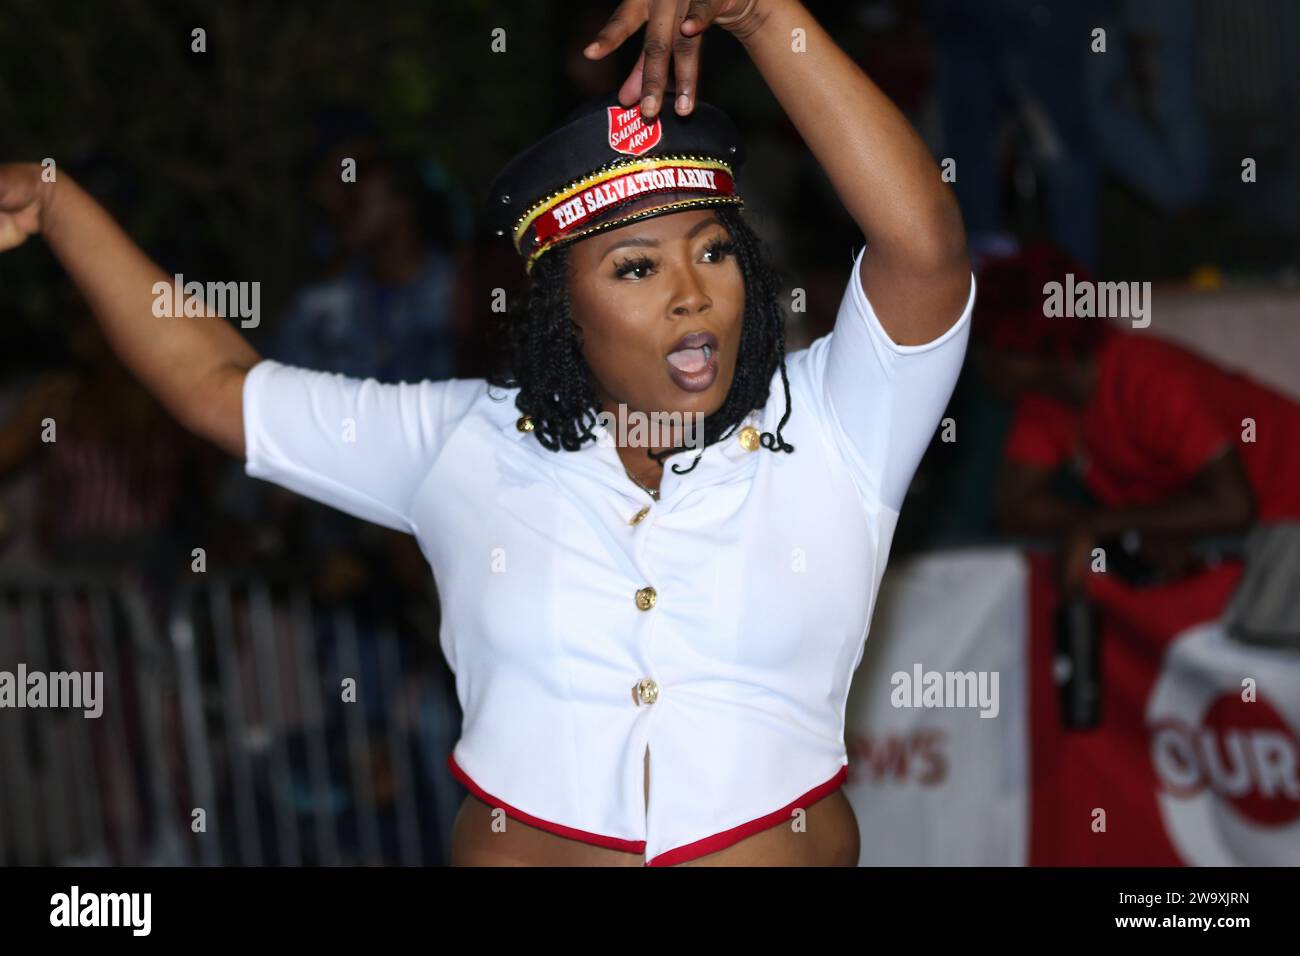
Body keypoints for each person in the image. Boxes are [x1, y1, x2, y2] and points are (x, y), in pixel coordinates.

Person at [0, 0, 973, 866]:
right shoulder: (465, 441)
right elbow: (220, 384)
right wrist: (56, 204)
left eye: (714, 249)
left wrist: (763, 18)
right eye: (635, 268)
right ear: (565, 315)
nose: (692, 292)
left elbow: (921, 246)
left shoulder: (837, 423)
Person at [975, 243, 1300, 595]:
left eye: (988, 347)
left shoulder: (1145, 376)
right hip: (1254, 548)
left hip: (1284, 521)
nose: (980, 363)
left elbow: (1234, 505)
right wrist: (1125, 527)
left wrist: (1104, 526)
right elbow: (1017, 508)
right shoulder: (1047, 400)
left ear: (1025, 349)